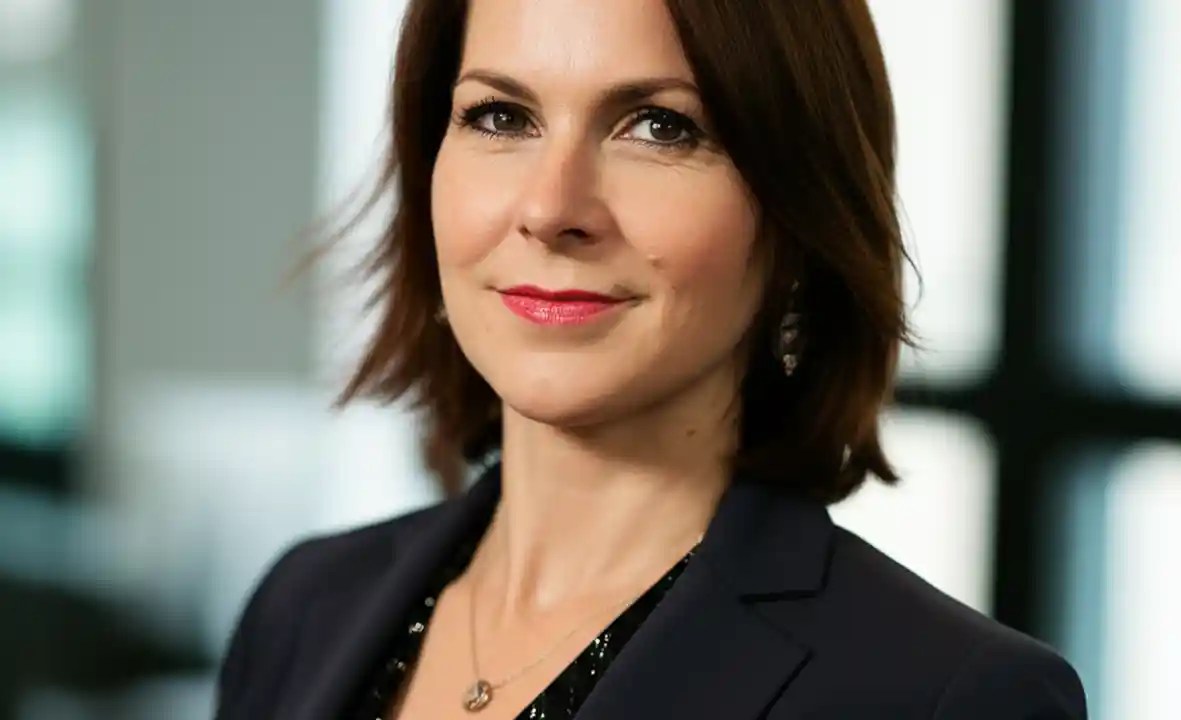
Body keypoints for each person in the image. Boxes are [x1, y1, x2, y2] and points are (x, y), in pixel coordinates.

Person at [214, 0, 1088, 717]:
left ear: (797, 216)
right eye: (501, 116)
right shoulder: (303, 608)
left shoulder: (946, 698)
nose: (552, 208)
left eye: (661, 127)